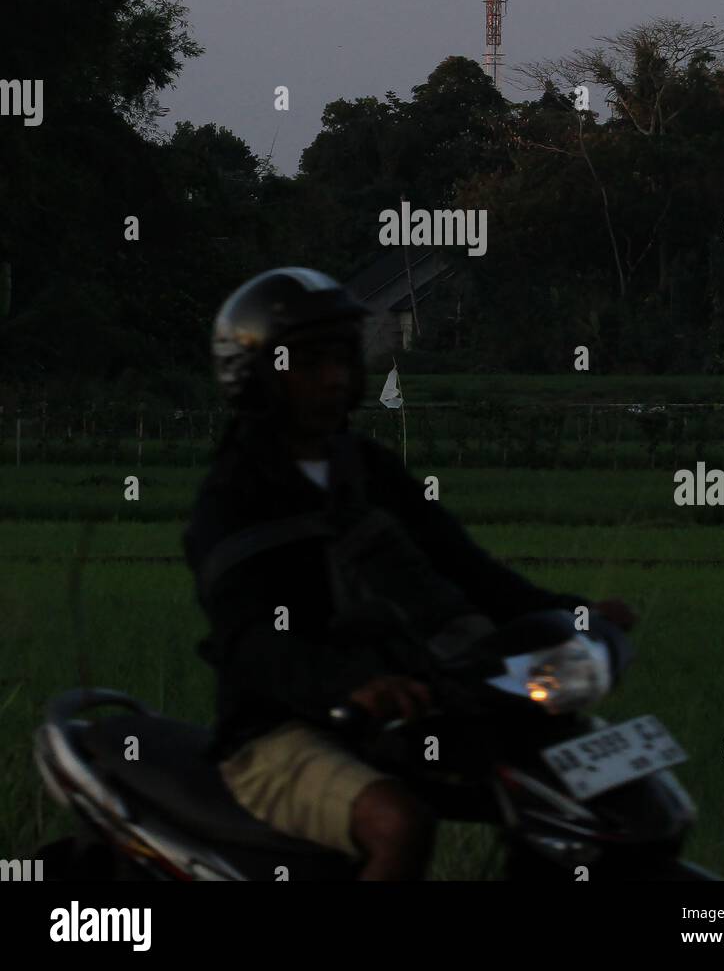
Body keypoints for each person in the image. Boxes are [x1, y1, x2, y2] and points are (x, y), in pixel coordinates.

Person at [183, 267, 636, 881]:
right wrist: (350, 684)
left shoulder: (364, 469)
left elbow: (469, 570)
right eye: (311, 363)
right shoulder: (233, 499)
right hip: (279, 731)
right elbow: (253, 644)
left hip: (407, 717)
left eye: (343, 358)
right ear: (258, 375)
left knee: (566, 787)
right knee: (399, 824)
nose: (336, 377)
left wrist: (570, 615)